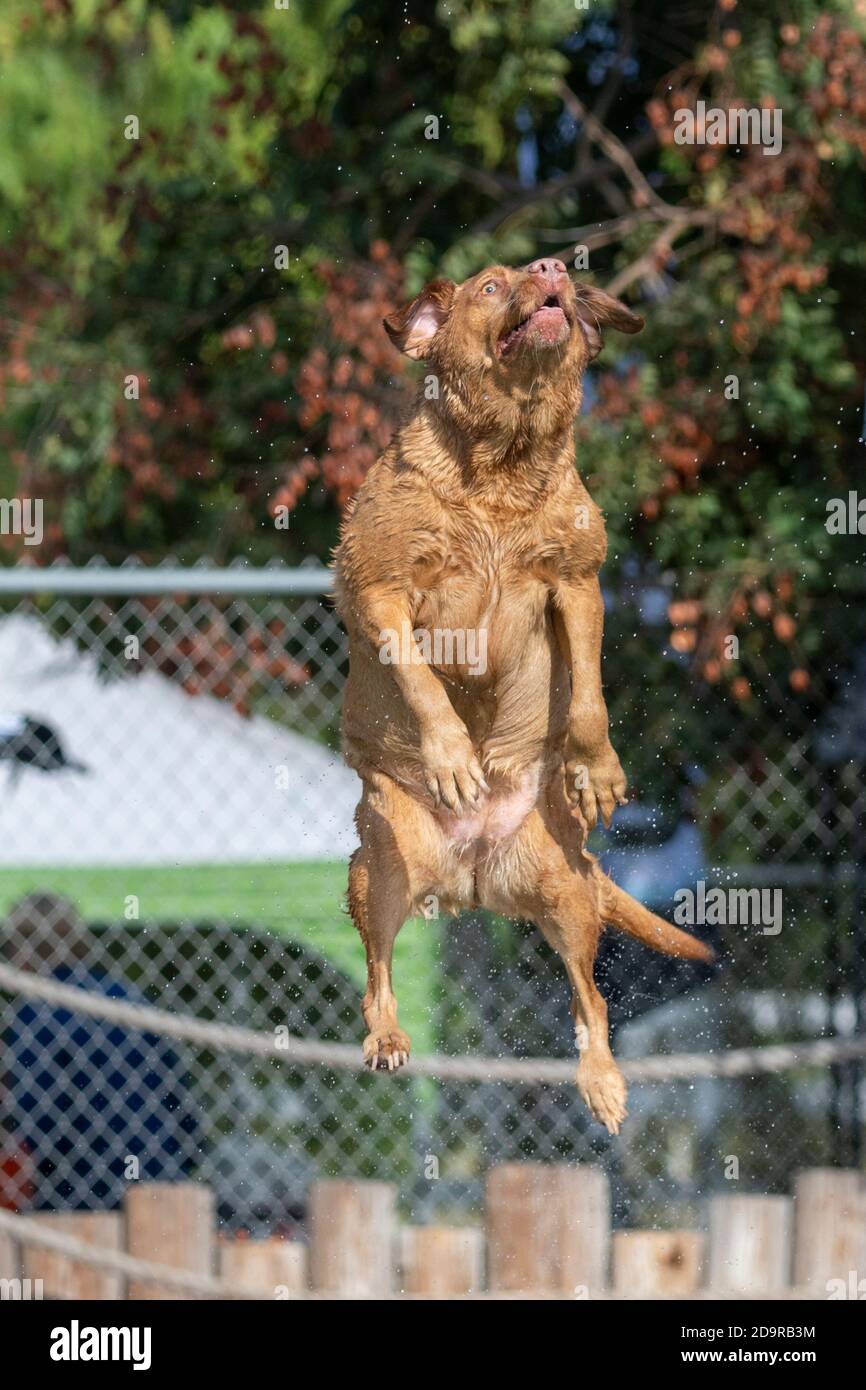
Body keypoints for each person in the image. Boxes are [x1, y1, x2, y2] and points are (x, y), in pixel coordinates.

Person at [0, 893, 202, 1210]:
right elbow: (183, 1108)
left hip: (80, 1191)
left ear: (22, 950)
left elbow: (37, 1117)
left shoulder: (36, 1014)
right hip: (159, 1177)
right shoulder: (129, 998)